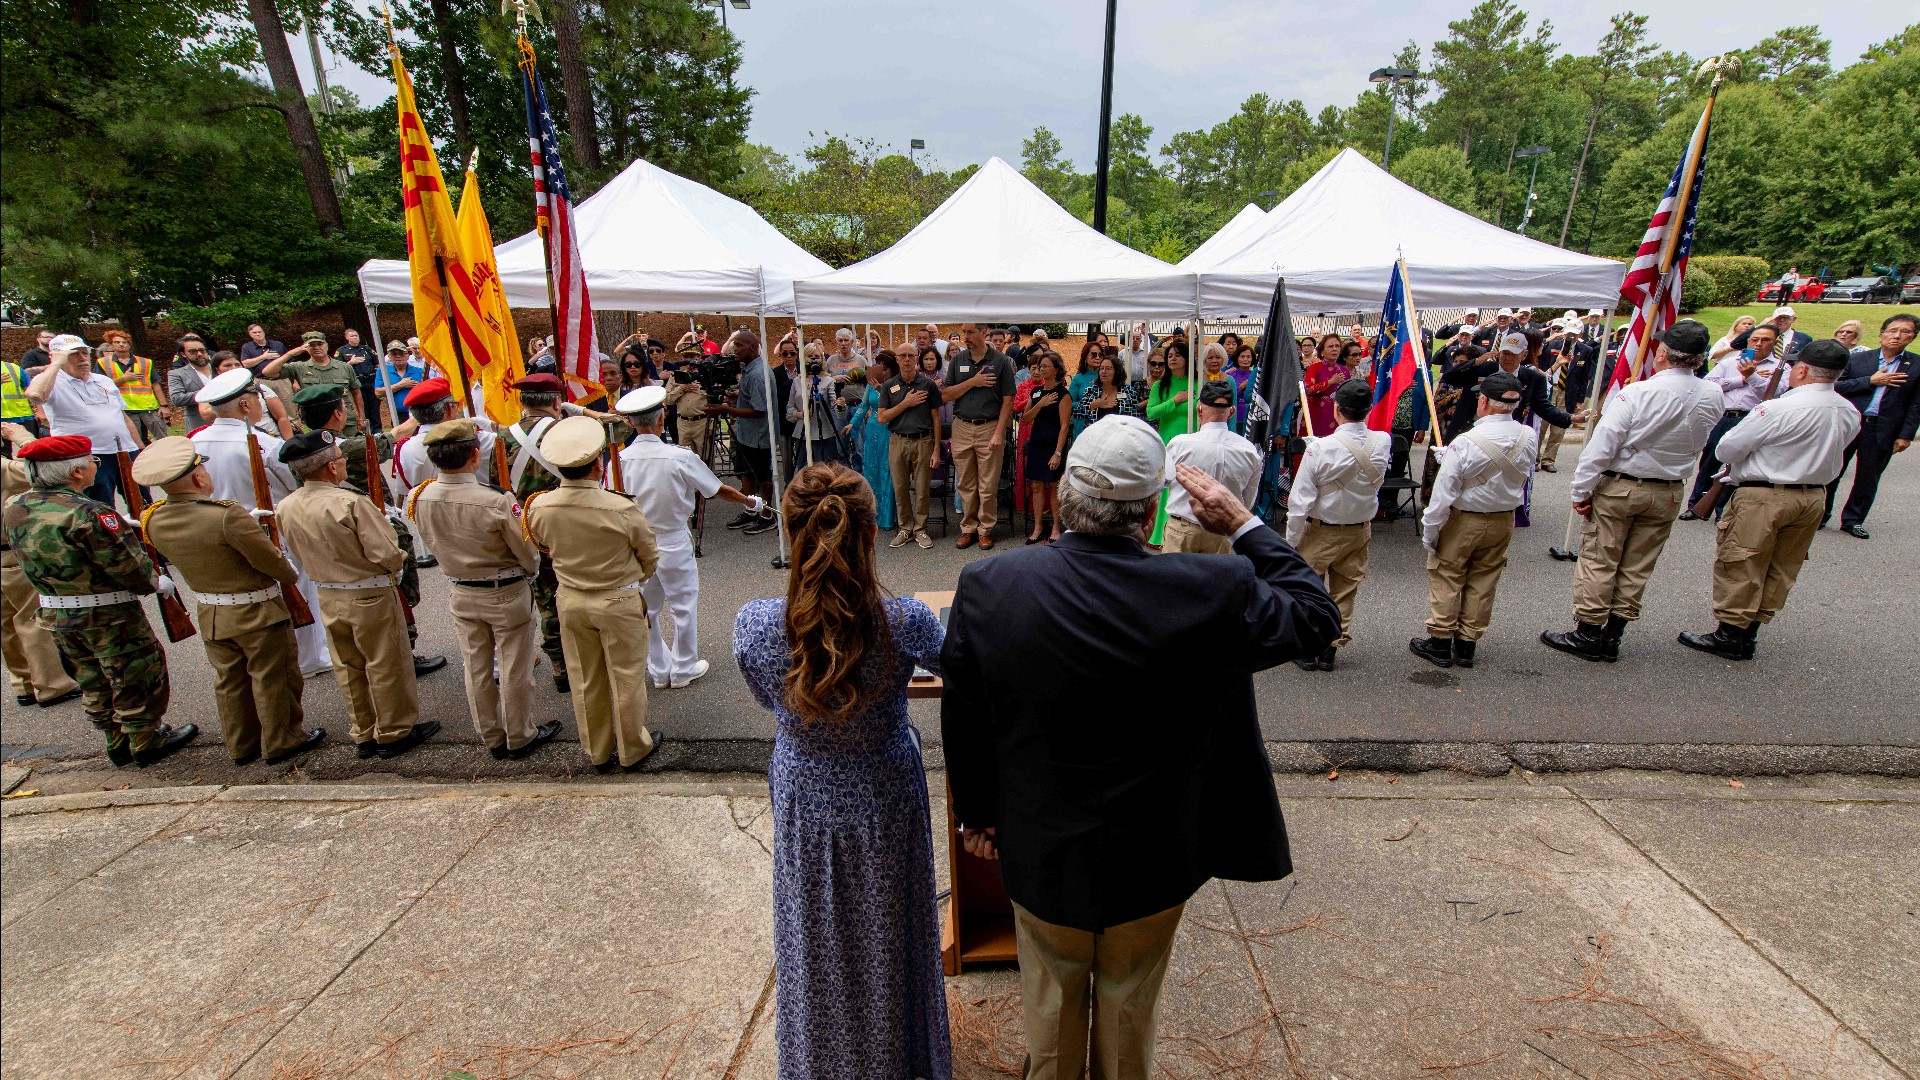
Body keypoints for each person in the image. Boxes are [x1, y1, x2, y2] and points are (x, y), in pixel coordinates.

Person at [941, 417, 1339, 1080]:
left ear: (1065, 491)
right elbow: (1316, 616)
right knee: (1129, 1005)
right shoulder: (1212, 589)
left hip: (1041, 844)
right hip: (1156, 848)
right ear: (1151, 509)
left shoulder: (991, 583)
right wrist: (1242, 522)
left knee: (1050, 1001)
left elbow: (967, 713)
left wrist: (975, 815)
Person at [730, 462, 952, 1080]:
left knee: (815, 941)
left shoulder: (756, 626)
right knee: (891, 937)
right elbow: (961, 666)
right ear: (871, 534)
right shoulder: (905, 621)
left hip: (807, 792)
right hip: (883, 792)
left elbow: (766, 696)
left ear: (792, 534)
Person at [3, 433, 195, 766]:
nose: (95, 467)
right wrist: (155, 581)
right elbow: (127, 566)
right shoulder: (90, 513)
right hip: (109, 615)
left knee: (91, 679)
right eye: (92, 462)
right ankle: (145, 738)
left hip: (57, 614)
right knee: (136, 674)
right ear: (76, 472)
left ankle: (115, 737)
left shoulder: (15, 507)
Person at [1542, 320, 1724, 663]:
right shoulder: (1713, 393)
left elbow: (1600, 448)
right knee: (1637, 564)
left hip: (1623, 485)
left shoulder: (1639, 393)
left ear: (1664, 354)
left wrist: (1581, 490)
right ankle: (1613, 634)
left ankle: (1590, 633)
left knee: (1600, 559)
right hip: (1668, 489)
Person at [134, 436, 322, 766]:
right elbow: (275, 566)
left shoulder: (154, 518)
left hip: (212, 612)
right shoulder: (227, 516)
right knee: (273, 677)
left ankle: (241, 744)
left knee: (230, 682)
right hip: (257, 610)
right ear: (197, 478)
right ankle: (282, 739)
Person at [1678, 340, 1860, 661]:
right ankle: (1750, 631)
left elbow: (1727, 449)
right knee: (1782, 563)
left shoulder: (1778, 407)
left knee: (1744, 558)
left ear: (1802, 369)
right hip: (1812, 496)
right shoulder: (1848, 410)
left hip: (1765, 494)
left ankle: (1730, 632)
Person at [276, 429, 438, 758]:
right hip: (369, 593)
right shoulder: (350, 503)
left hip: (328, 593)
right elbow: (387, 553)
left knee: (348, 666)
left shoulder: (287, 505)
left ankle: (363, 731)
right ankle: (393, 731)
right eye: (340, 458)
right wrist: (398, 562)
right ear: (331, 468)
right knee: (384, 663)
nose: (344, 462)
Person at [405, 418, 561, 760]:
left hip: (461, 589)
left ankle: (491, 735)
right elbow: (527, 552)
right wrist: (530, 572)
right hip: (503, 588)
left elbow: (428, 539)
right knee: (514, 666)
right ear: (475, 455)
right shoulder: (495, 500)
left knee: (476, 666)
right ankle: (519, 734)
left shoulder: (421, 496)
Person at [524, 415, 663, 771]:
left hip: (571, 598)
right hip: (617, 597)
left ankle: (598, 751)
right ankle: (632, 747)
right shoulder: (620, 507)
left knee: (585, 679)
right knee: (627, 677)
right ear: (598, 463)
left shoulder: (539, 506)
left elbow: (542, 545)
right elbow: (649, 556)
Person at [616, 387, 766, 689]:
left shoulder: (618, 460)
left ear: (632, 424)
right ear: (662, 419)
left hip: (635, 541)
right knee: (682, 605)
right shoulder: (677, 456)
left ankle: (658, 669)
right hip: (671, 538)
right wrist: (751, 501)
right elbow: (716, 488)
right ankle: (682, 667)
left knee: (647, 607)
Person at [189, 368, 332, 678]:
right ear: (245, 404)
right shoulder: (264, 445)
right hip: (270, 528)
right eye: (256, 397)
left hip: (221, 529)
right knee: (299, 587)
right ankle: (309, 657)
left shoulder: (196, 441)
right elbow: (294, 487)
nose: (260, 403)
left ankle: (269, 653)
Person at [293, 383, 444, 669]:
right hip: (373, 522)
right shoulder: (346, 447)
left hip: (335, 527)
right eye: (344, 407)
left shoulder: (305, 450)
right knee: (400, 591)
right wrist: (419, 413)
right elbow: (396, 435)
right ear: (337, 414)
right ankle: (403, 654)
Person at [1411, 372, 1536, 670]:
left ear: (1483, 401)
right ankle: (1467, 643)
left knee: (1447, 575)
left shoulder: (1465, 442)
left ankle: (1441, 640)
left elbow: (1442, 496)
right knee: (1484, 579)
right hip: (1503, 518)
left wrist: (1431, 532)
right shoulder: (1528, 435)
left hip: (1465, 519)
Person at [1285, 379, 1390, 670]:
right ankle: (1331, 648)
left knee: (1309, 590)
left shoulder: (1320, 450)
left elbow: (1299, 501)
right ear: (1367, 410)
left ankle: (1308, 647)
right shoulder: (1382, 441)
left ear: (1337, 410)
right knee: (1344, 590)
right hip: (1358, 527)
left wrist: (1290, 542)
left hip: (1321, 529)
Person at [0, 422, 80, 707]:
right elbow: (41, 464)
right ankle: (51, 684)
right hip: (11, 554)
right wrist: (20, 437)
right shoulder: (3, 468)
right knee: (32, 618)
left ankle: (23, 683)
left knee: (7, 625)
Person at [1826, 312, 1917, 539]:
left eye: (1905, 332)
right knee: (1830, 471)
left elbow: (1916, 404)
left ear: (1913, 337)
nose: (1897, 336)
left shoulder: (1915, 365)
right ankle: (1820, 514)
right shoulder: (1858, 359)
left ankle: (1853, 520)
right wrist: (1870, 381)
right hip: (1849, 424)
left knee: (1868, 477)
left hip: (1882, 427)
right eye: (1892, 331)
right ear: (1881, 335)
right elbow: (1835, 387)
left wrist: (1906, 435)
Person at [23, 334, 141, 509]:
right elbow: (35, 395)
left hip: (124, 450)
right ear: (56, 356)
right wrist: (55, 364)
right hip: (89, 456)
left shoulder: (103, 381)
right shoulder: (52, 381)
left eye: (84, 353)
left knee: (140, 499)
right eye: (73, 354)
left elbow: (122, 417)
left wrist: (139, 447)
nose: (82, 358)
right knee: (99, 505)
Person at [1683, 322, 1785, 519]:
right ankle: (1695, 505)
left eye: (1765, 340)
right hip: (1724, 416)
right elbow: (1709, 384)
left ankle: (1724, 509)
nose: (1758, 344)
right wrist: (1742, 379)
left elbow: (1775, 393)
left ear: (1774, 343)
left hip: (1752, 418)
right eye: (1754, 339)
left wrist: (1753, 377)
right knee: (1709, 460)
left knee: (1739, 465)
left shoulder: (1780, 368)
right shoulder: (1730, 363)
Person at [943, 322, 1016, 550]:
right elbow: (946, 394)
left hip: (989, 427)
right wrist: (973, 382)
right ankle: (968, 529)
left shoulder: (1000, 361)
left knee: (987, 484)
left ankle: (985, 531)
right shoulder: (958, 360)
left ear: (984, 333)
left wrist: (999, 432)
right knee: (965, 483)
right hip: (962, 426)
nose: (966, 336)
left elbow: (1008, 400)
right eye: (964, 332)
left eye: (970, 332)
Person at [707, 331, 784, 538]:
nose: (735, 349)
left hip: (759, 437)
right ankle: (752, 509)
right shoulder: (750, 370)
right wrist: (738, 396)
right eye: (734, 345)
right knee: (745, 473)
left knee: (762, 476)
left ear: (753, 347)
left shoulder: (759, 374)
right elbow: (752, 399)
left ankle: (767, 515)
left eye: (740, 345)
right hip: (746, 434)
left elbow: (759, 410)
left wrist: (724, 409)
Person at [868, 349, 942, 550]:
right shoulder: (889, 386)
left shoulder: (927, 385)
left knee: (921, 489)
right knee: (900, 487)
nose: (907, 359)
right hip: (898, 441)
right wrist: (906, 403)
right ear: (897, 360)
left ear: (916, 359)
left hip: (923, 441)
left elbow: (936, 418)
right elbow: (882, 417)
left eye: (911, 355)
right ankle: (905, 529)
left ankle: (920, 529)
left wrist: (937, 449)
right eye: (903, 356)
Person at [264, 331, 365, 435]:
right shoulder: (299, 368)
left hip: (346, 420)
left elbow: (356, 392)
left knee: (353, 449)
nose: (316, 347)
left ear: (326, 345)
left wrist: (362, 417)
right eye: (312, 345)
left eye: (320, 344)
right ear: (306, 348)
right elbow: (268, 372)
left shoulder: (344, 367)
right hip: (318, 422)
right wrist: (290, 354)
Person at [1021, 353, 1073, 544]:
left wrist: (1058, 453)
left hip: (1053, 446)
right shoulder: (1036, 393)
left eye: (1045, 366)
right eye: (1039, 366)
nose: (1041, 369)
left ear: (1056, 370)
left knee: (1053, 486)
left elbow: (1064, 426)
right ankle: (1038, 527)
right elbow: (1025, 418)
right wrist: (1041, 404)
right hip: (1036, 444)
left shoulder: (1063, 394)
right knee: (1036, 486)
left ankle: (1056, 527)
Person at [844, 355, 897, 533]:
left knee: (887, 470)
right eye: (878, 366)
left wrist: (881, 388)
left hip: (890, 430)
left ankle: (888, 517)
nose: (881, 371)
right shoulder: (869, 385)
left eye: (885, 368)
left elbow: (896, 403)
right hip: (873, 429)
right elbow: (863, 406)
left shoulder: (896, 384)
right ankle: (872, 514)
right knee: (872, 470)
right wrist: (853, 423)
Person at [96, 330, 170, 446]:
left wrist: (164, 406)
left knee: (163, 439)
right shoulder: (102, 363)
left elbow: (156, 384)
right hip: (125, 409)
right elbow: (100, 386)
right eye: (117, 342)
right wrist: (123, 379)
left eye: (124, 342)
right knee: (135, 442)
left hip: (148, 407)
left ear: (129, 345)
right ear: (112, 344)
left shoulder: (145, 362)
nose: (121, 344)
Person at [1301, 335, 1351, 437]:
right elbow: (1308, 390)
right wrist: (1330, 382)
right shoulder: (1314, 368)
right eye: (1330, 346)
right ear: (1322, 351)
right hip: (1317, 415)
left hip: (1338, 417)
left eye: (1337, 346)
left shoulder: (1344, 370)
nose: (1334, 349)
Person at [337, 328, 379, 432]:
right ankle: (368, 430)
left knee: (374, 407)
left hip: (371, 381)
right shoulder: (342, 351)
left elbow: (377, 363)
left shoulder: (366, 349)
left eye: (356, 336)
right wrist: (351, 362)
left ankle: (378, 430)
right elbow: (338, 369)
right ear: (347, 337)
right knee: (363, 407)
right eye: (352, 336)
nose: (355, 338)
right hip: (357, 383)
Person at [167, 336, 215, 426]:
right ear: (183, 354)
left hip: (229, 420)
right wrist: (208, 392)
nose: (200, 354)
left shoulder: (220, 368)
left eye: (202, 350)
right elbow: (177, 398)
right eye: (193, 351)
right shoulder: (177, 374)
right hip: (200, 423)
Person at [373, 341, 422, 425]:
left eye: (401, 353)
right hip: (397, 415)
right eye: (394, 354)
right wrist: (401, 385)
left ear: (408, 355)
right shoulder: (383, 371)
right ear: (389, 356)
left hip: (417, 414)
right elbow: (378, 392)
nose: (398, 356)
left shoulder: (420, 371)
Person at [1, 354, 41, 439]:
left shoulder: (13, 368)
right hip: (4, 418)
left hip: (23, 416)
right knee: (4, 452)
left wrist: (40, 410)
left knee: (32, 448)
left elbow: (32, 390)